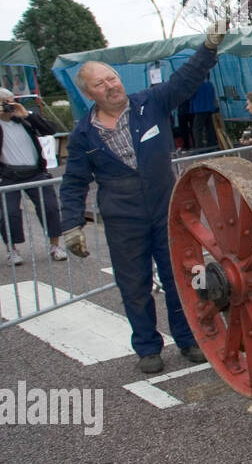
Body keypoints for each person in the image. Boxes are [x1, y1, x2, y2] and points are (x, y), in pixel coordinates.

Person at [59, 24, 227, 374]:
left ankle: (188, 340)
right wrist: (71, 225)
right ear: (89, 93)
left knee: (180, 278)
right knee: (134, 286)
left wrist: (209, 47)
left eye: (112, 78)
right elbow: (74, 181)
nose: (110, 86)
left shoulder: (150, 103)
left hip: (167, 211)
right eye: (100, 84)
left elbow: (185, 80)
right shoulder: (83, 134)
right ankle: (148, 348)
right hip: (123, 219)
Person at [0, 88, 66, 263]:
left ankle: (55, 246)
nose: (9, 105)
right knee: (9, 212)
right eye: (5, 102)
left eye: (11, 101)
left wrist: (27, 115)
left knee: (50, 207)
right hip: (8, 174)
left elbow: (50, 129)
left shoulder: (24, 121)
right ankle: (12, 250)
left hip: (35, 172)